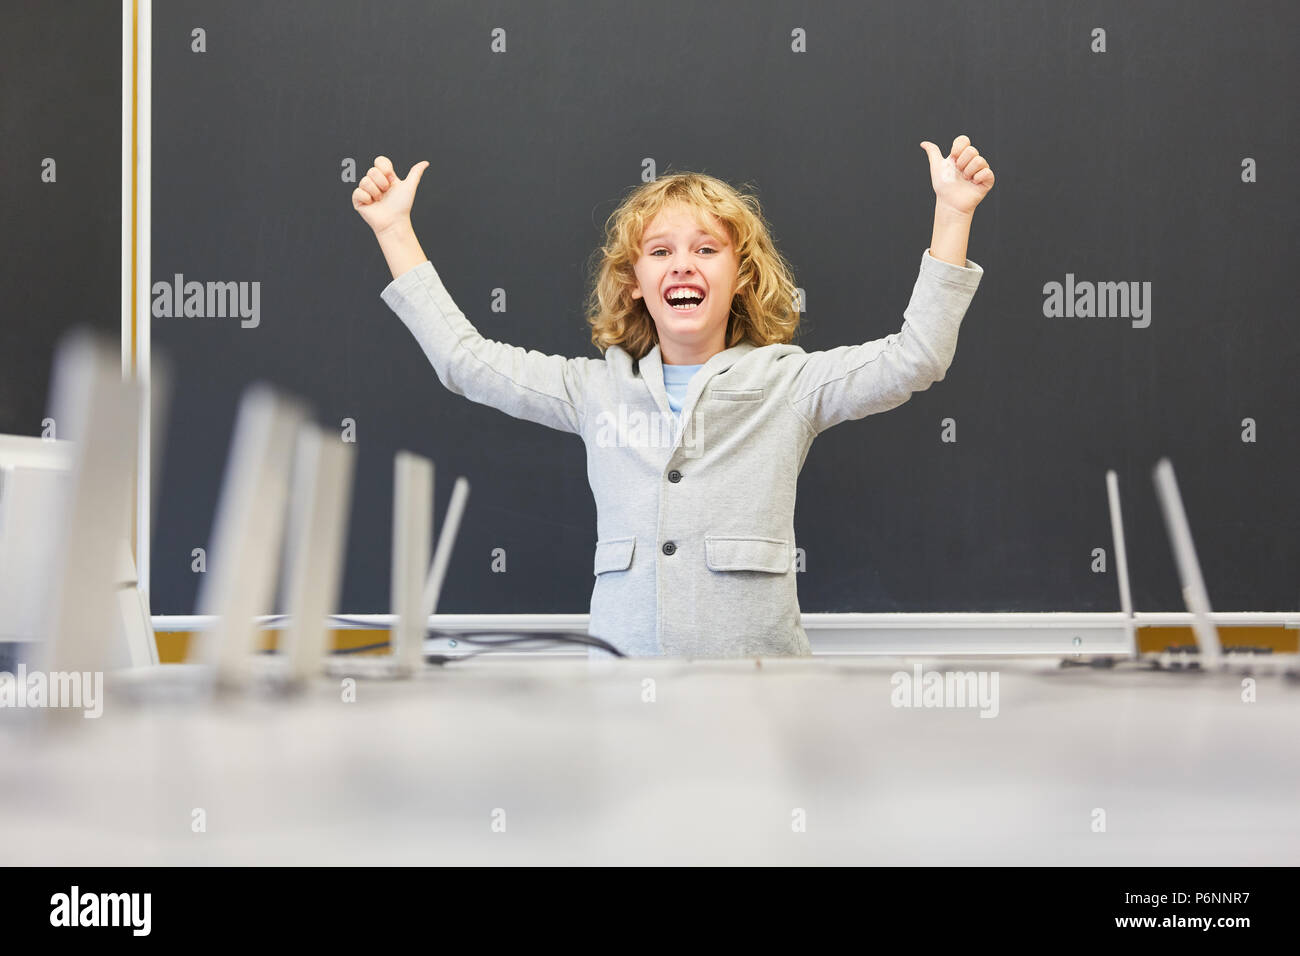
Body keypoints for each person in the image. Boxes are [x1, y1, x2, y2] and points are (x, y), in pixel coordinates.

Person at [354, 137, 994, 657]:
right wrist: (393, 232)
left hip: (761, 701)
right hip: (626, 696)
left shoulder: (788, 383)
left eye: (706, 249)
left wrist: (954, 214)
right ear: (635, 282)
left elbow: (917, 357)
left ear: (741, 276)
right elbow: (467, 363)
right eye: (660, 252)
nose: (682, 265)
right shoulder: (595, 389)